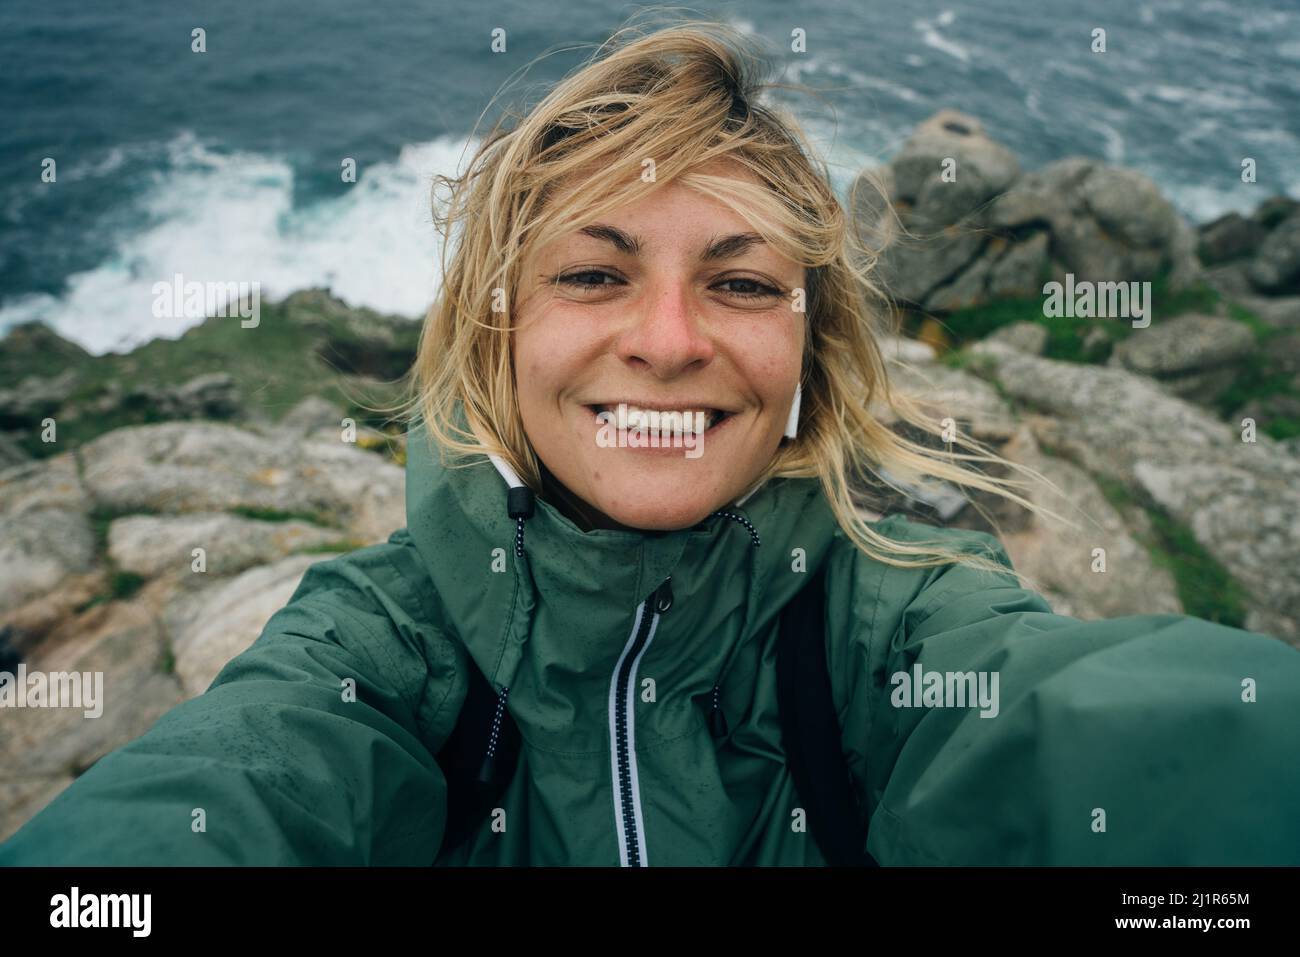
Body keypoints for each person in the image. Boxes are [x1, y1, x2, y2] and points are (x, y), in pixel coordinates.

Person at [3, 21, 1298, 867]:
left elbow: (1110, 734)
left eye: (740, 284)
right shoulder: (376, 646)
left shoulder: (906, 617)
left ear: (810, 347)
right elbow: (221, 804)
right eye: (593, 274)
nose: (670, 340)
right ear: (496, 327)